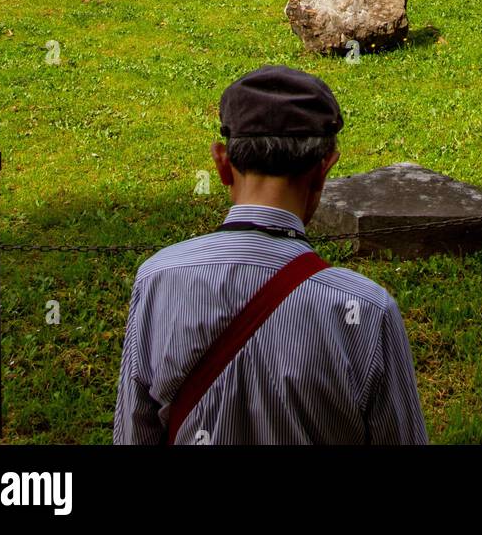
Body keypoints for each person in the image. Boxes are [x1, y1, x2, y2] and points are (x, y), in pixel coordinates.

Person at [114, 65, 428, 446]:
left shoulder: (157, 279)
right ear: (322, 170)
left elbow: (134, 436)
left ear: (222, 164)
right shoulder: (368, 309)